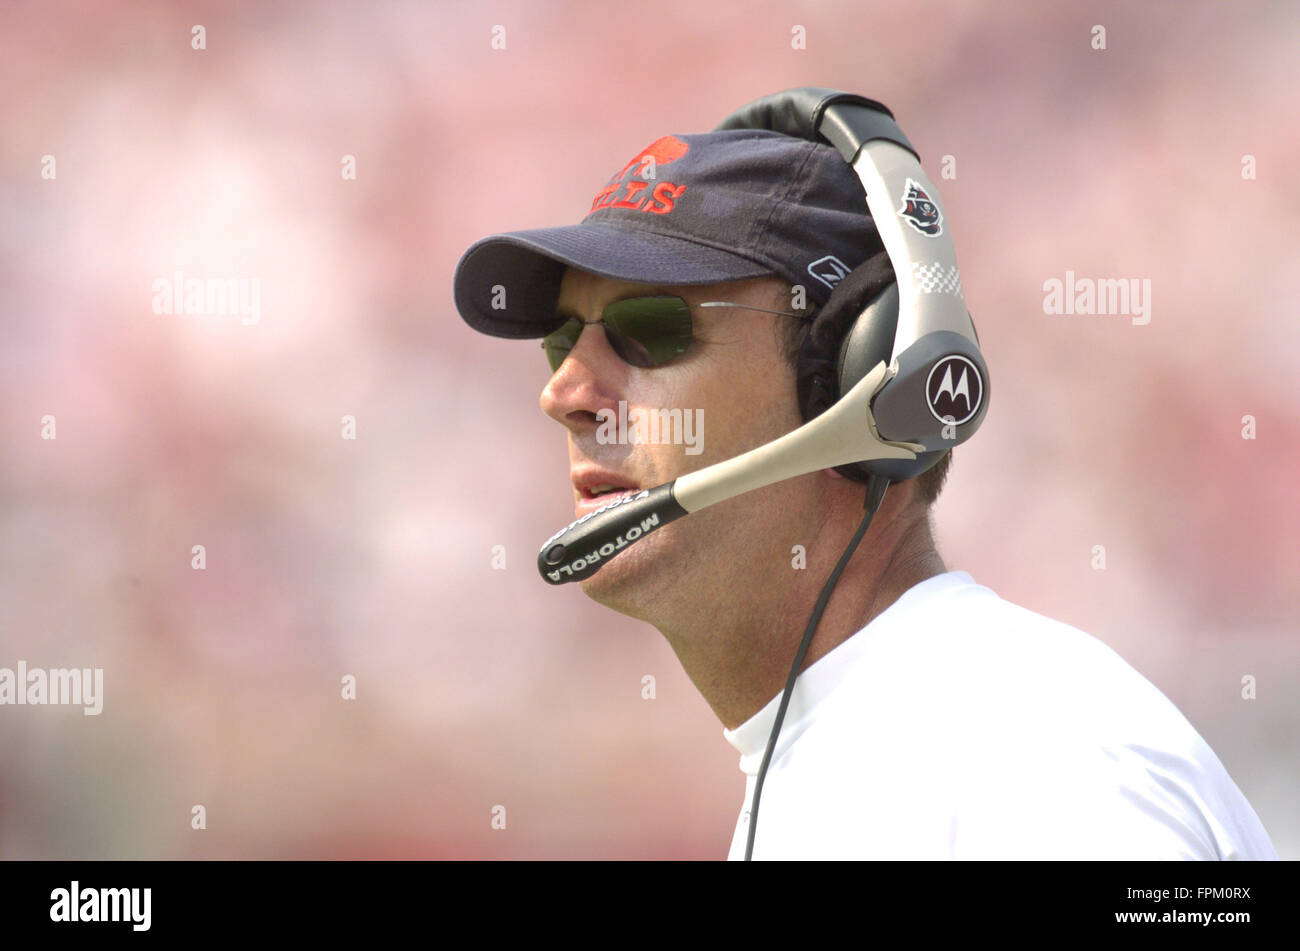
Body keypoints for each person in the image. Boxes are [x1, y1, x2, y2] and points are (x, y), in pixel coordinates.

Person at [451, 111, 1277, 860]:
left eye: (650, 329)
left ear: (851, 374)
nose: (565, 393)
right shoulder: (839, 756)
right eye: (562, 339)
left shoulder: (1039, 760)